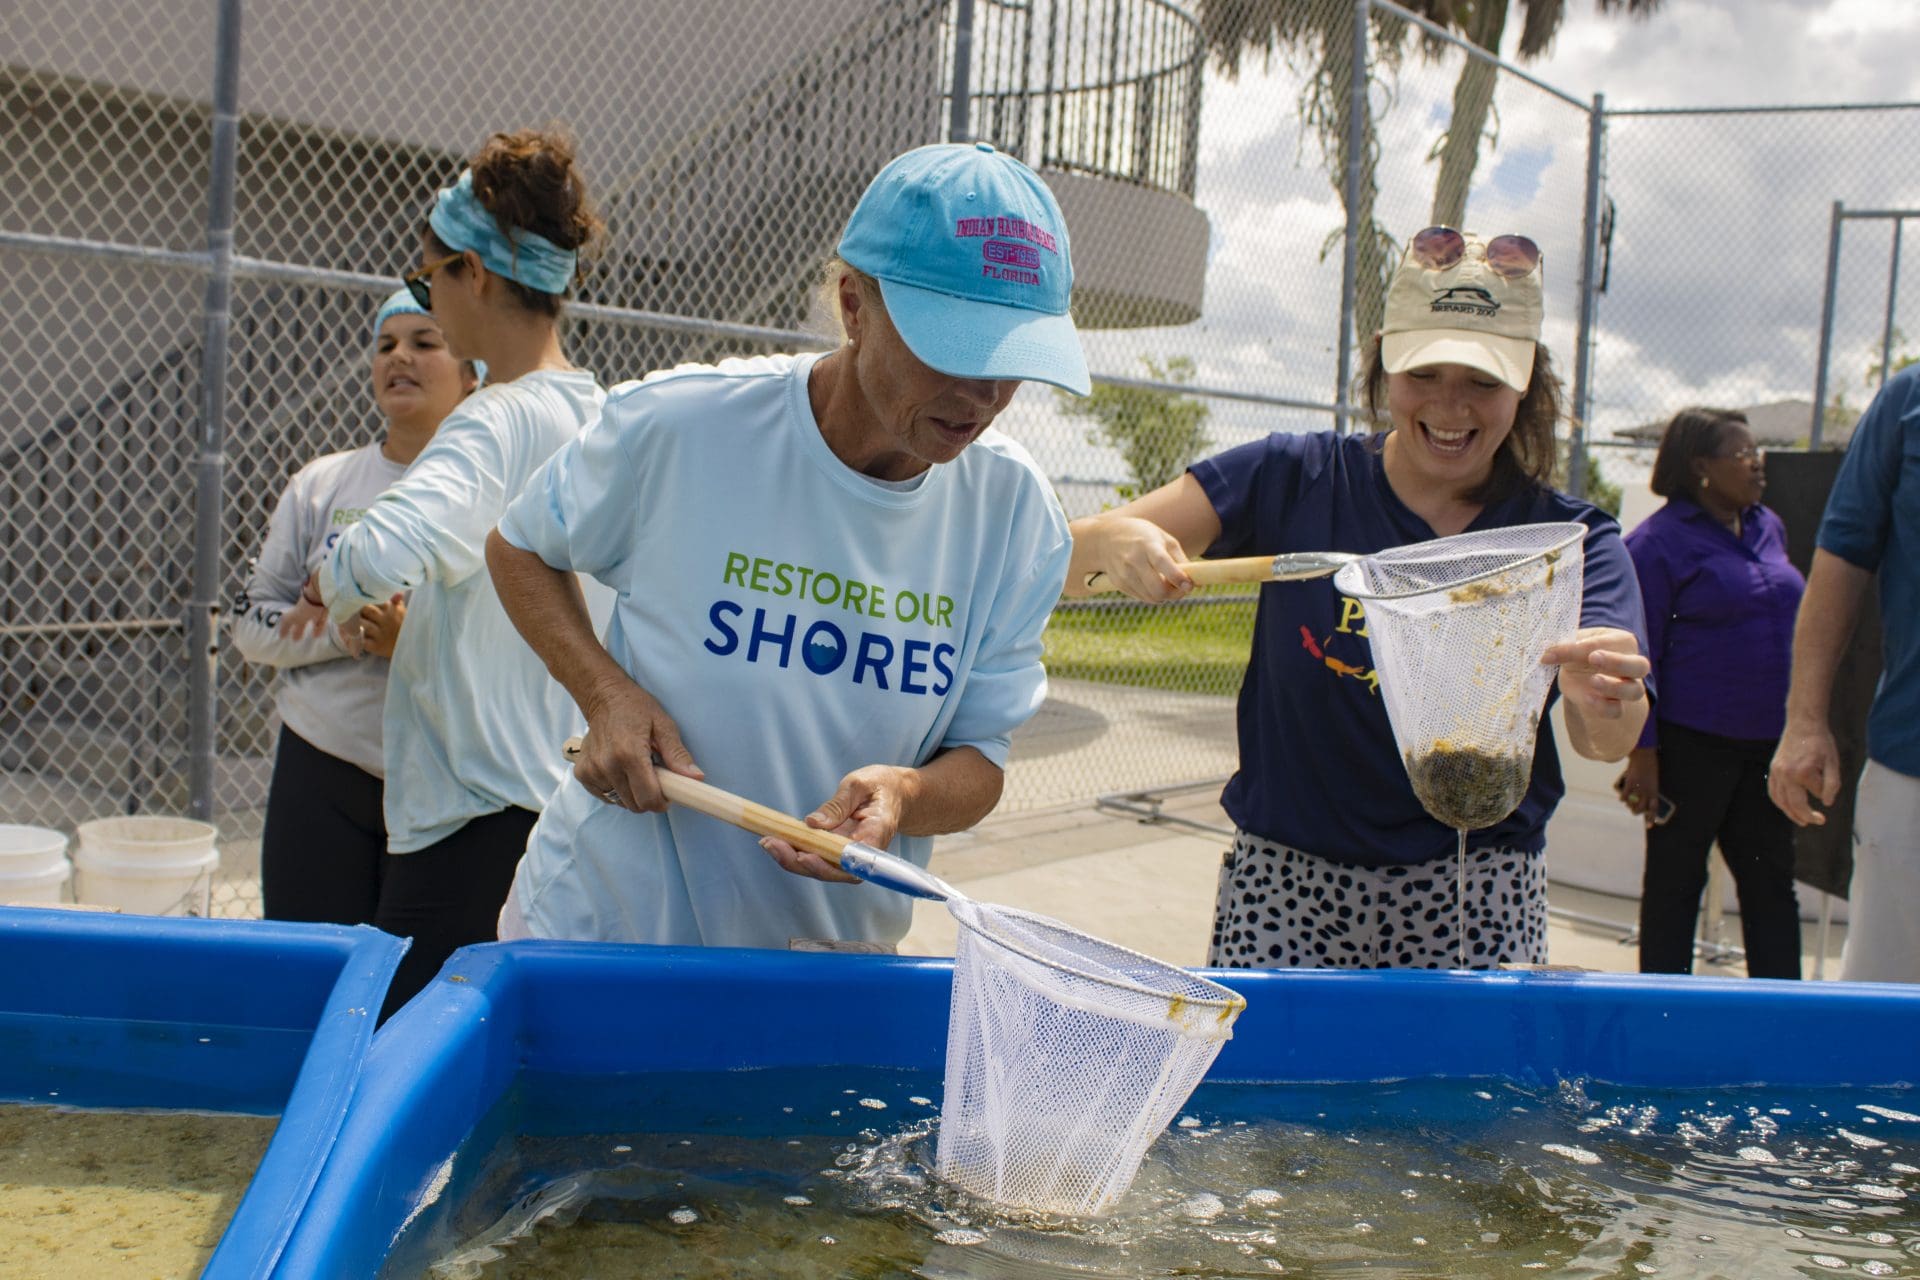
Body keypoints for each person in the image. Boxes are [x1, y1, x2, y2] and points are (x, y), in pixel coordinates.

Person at [484, 141, 1083, 951]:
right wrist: (606, 695)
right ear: (853, 305)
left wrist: (905, 795)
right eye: (953, 347)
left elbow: (980, 760)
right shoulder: (686, 426)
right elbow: (520, 546)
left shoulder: (1014, 515)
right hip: (602, 931)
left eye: (1012, 360)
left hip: (825, 964)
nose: (982, 394)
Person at [1068, 226, 1650, 970]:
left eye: (1483, 381)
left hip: (1479, 889)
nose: (1451, 405)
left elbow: (1611, 738)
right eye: (1424, 372)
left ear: (1527, 384)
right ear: (1382, 366)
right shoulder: (1290, 476)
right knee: (1272, 1086)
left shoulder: (1571, 540)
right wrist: (1116, 542)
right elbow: (1062, 562)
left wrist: (1603, 695)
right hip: (1285, 887)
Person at [316, 129, 611, 1015]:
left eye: (430, 277)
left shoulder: (492, 421)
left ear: (473, 276)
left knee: (395, 1084)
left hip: (464, 822)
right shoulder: (600, 416)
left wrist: (334, 574)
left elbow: (374, 554)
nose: (429, 297)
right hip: (556, 818)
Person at [232, 289, 478, 925]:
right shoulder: (322, 483)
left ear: (472, 372)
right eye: (385, 345)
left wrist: (413, 643)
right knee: (309, 967)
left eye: (425, 342)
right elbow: (249, 625)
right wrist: (347, 634)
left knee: (418, 988)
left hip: (448, 774)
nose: (400, 357)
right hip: (324, 764)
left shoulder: (495, 494)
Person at [1620, 408, 1803, 978]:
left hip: (1766, 748)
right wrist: (1643, 756)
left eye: (1757, 451)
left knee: (1771, 884)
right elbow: (1638, 657)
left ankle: (1785, 1016)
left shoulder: (1767, 525)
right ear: (1701, 466)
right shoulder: (1655, 544)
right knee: (1676, 886)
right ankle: (1666, 1022)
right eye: (1743, 453)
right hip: (1690, 748)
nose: (1758, 464)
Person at [1770, 365, 1920, 984]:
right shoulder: (1906, 401)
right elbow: (1842, 555)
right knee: (1887, 1022)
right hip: (1910, 768)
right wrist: (1804, 721)